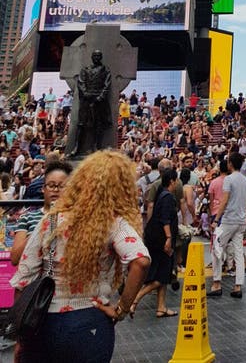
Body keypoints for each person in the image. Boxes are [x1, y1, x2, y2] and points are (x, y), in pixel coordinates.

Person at [10, 150, 150, 363]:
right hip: (89, 322)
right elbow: (140, 261)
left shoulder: (52, 219)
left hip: (43, 321)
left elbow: (23, 278)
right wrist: (121, 308)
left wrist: (20, 335)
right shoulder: (114, 223)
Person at [133, 167, 179, 317]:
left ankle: (161, 307)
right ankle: (135, 298)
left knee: (163, 275)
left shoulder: (161, 194)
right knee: (161, 277)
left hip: (156, 238)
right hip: (162, 240)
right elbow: (165, 219)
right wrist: (169, 238)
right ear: (172, 181)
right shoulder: (168, 197)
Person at [10, 159, 73, 267]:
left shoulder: (76, 218)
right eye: (51, 185)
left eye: (62, 186)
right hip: (36, 281)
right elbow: (15, 258)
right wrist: (42, 227)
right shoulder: (27, 217)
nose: (56, 190)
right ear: (43, 188)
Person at [208, 152, 246, 299]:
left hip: (228, 220)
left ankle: (216, 283)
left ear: (230, 164)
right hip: (241, 221)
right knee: (238, 252)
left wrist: (215, 219)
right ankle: (238, 286)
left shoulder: (228, 180)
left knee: (217, 248)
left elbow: (224, 201)